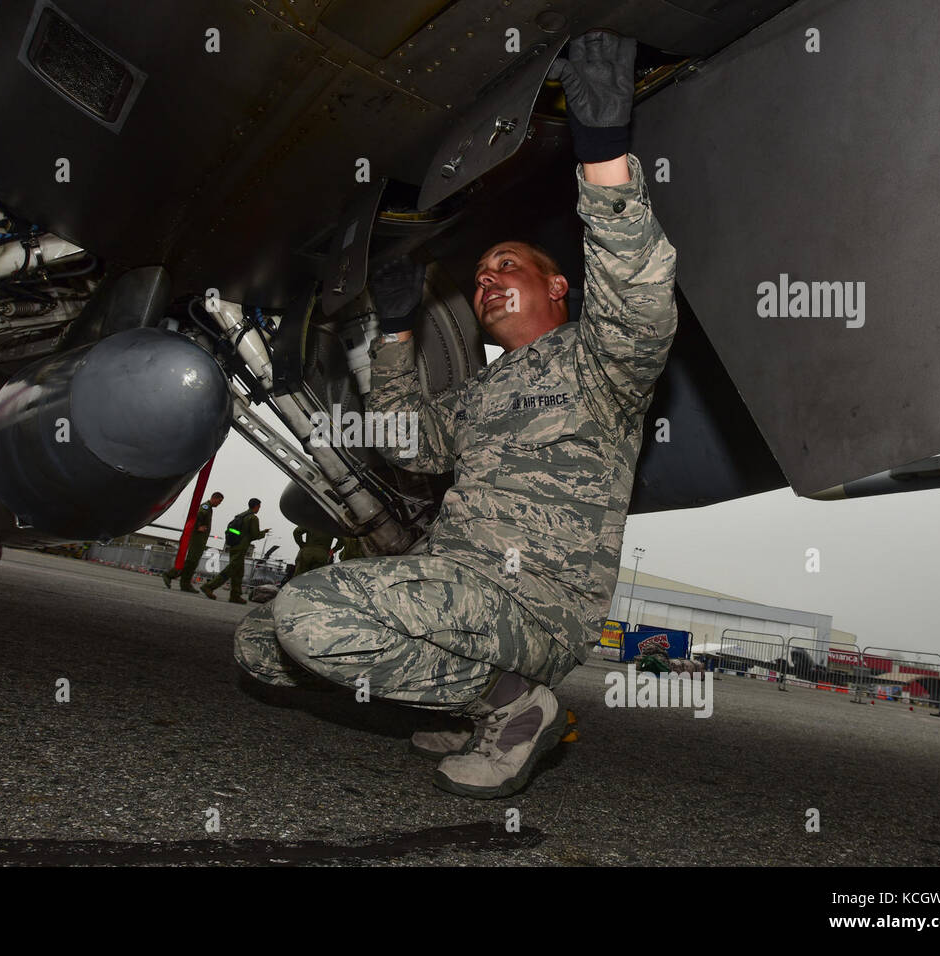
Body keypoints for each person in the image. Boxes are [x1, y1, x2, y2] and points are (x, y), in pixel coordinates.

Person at [233, 32, 677, 799]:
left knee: (309, 615)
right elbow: (406, 443)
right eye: (478, 274)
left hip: (533, 605)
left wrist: (603, 154)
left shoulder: (599, 364)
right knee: (259, 644)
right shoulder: (483, 394)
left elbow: (639, 303)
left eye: (509, 266)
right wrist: (397, 331)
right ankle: (466, 696)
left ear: (560, 289)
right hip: (453, 587)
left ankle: (508, 706)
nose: (488, 279)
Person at [202, 498, 267, 604]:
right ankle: (209, 586)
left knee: (238, 572)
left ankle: (235, 595)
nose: (259, 508)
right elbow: (254, 535)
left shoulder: (241, 515)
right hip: (241, 547)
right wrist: (263, 533)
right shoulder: (253, 518)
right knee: (231, 569)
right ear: (256, 506)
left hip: (234, 545)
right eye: (259, 506)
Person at [163, 491, 224, 592]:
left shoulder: (209, 508)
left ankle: (184, 583)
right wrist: (198, 527)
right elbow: (197, 515)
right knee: (191, 561)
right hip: (197, 539)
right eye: (219, 501)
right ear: (214, 498)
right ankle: (171, 575)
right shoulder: (206, 507)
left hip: (200, 539)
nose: (219, 503)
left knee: (192, 562)